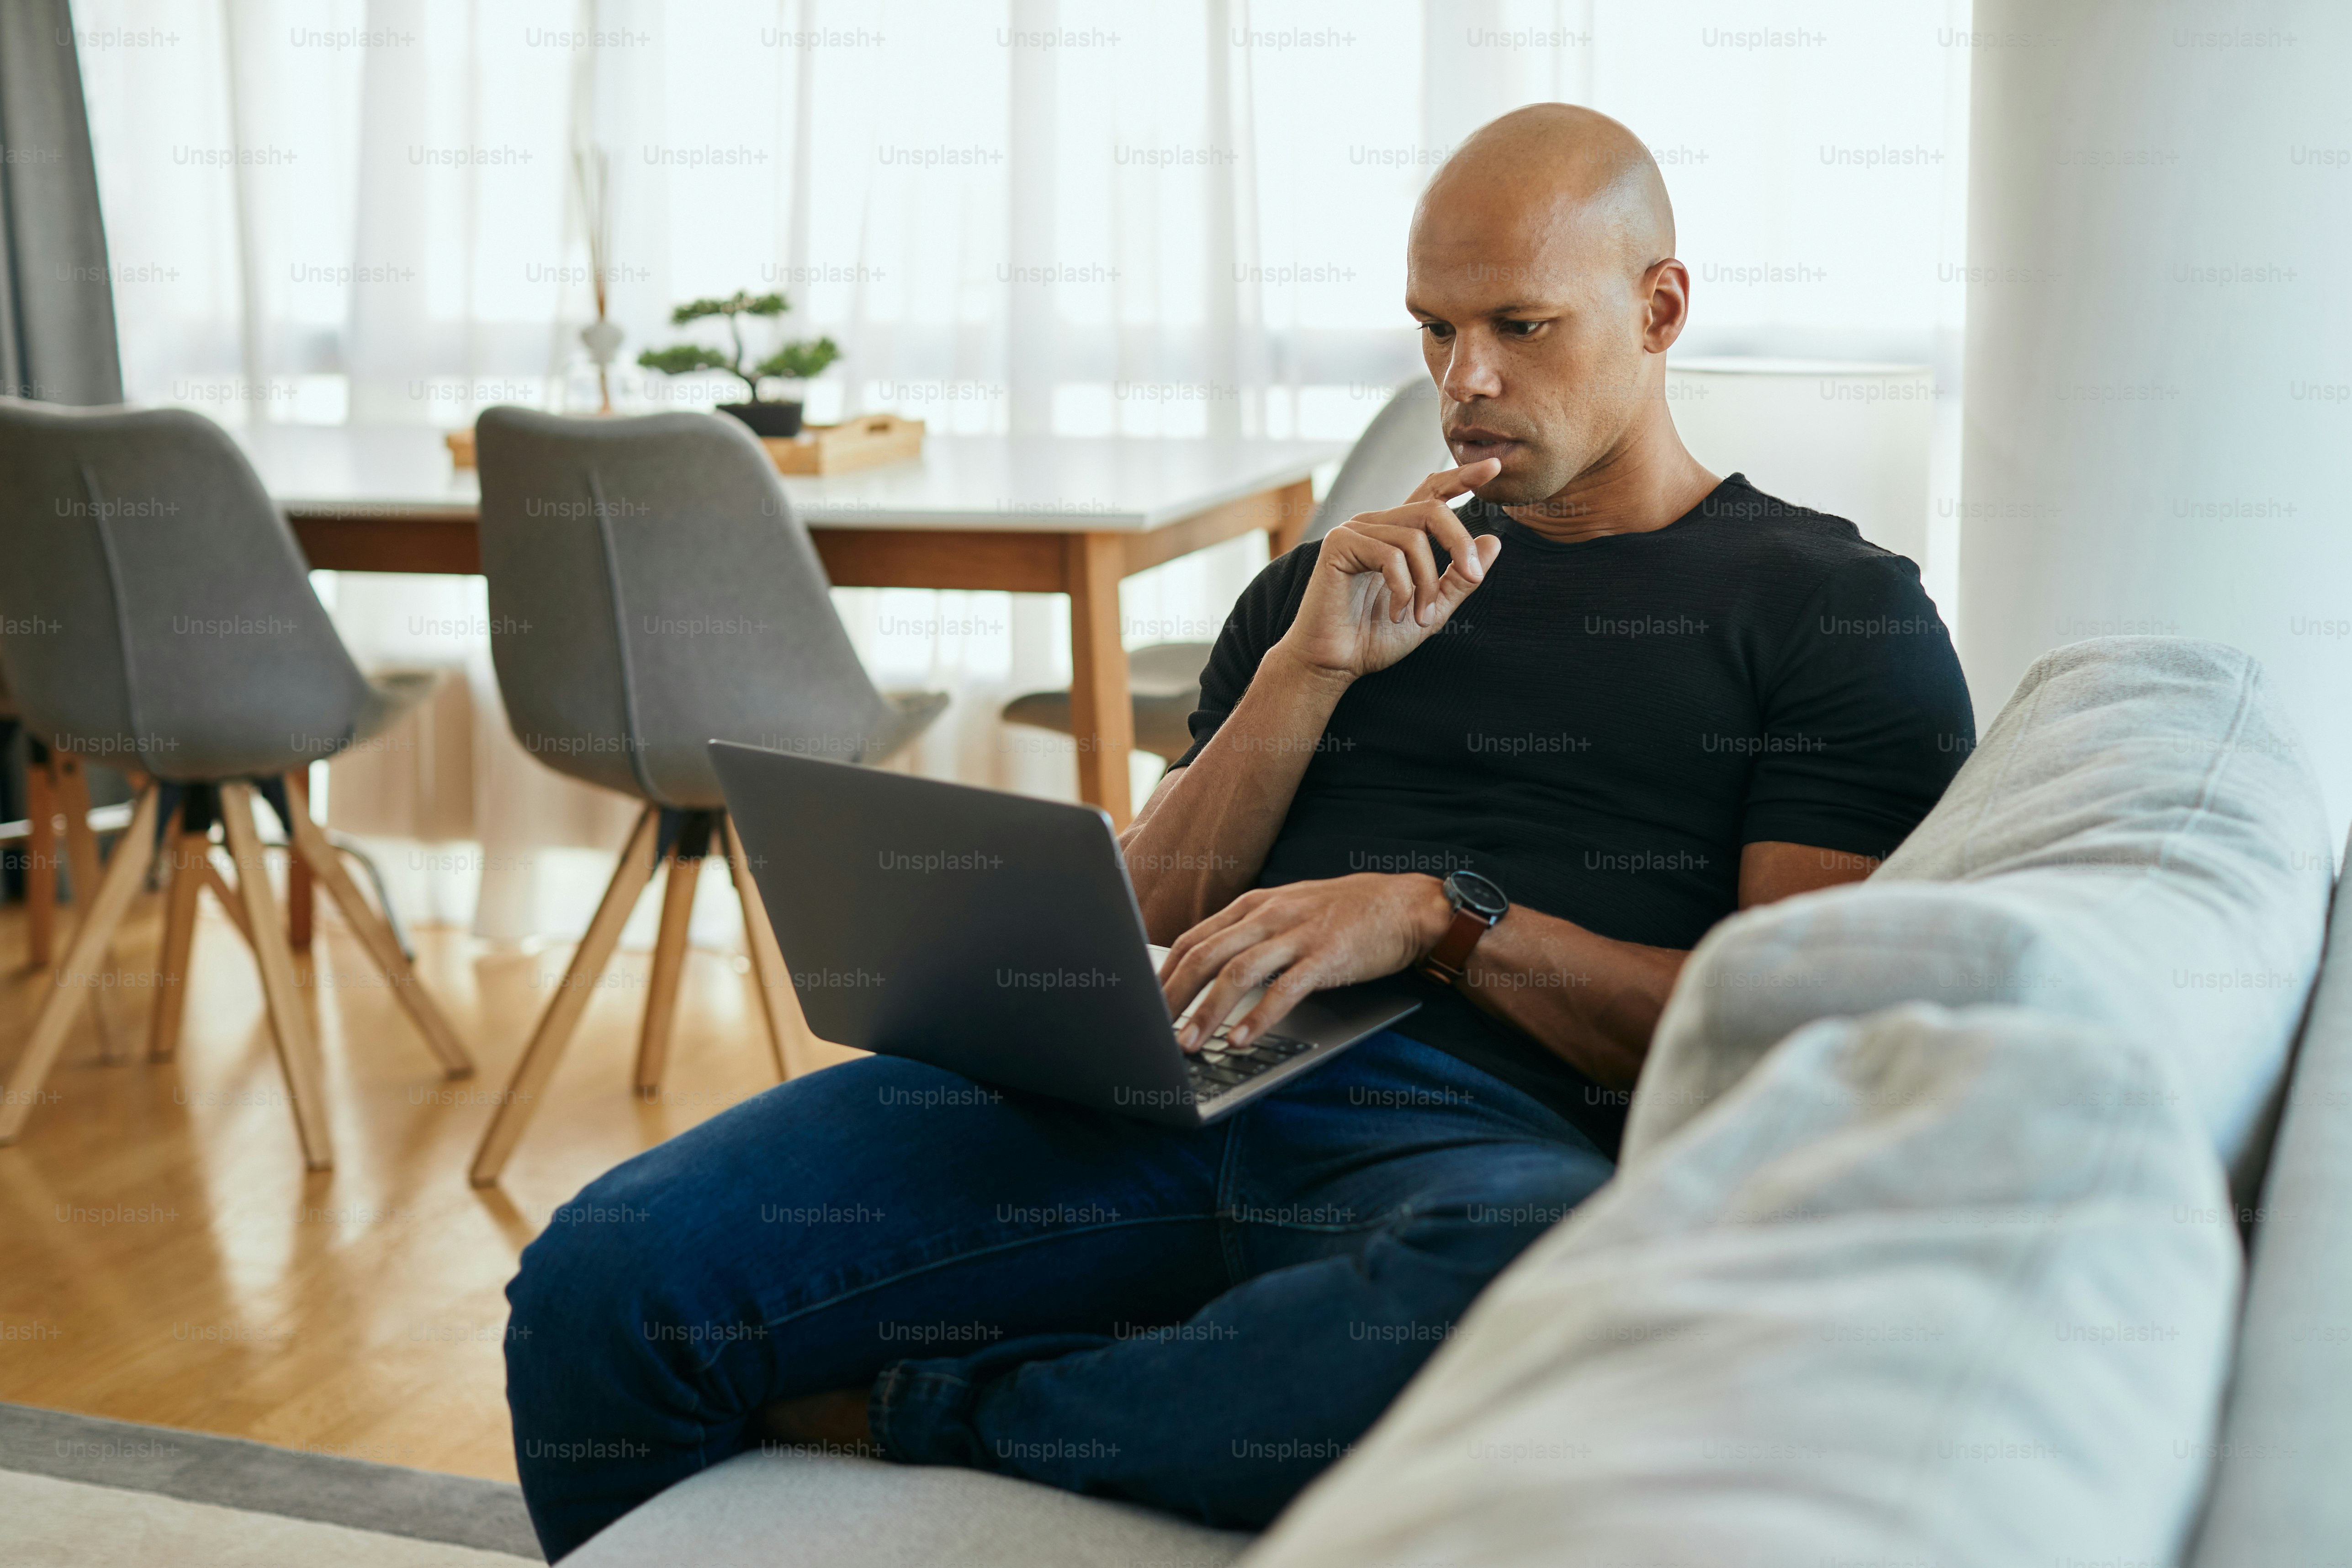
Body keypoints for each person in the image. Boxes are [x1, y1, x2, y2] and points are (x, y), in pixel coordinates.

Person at [503, 102, 1975, 1561]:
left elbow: (1777, 1031)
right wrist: (1307, 669)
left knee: (1515, 1286)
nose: (1464, 381)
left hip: (1466, 1142)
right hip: (1164, 1080)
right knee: (604, 1276)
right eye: (1433, 330)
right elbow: (1153, 895)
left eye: (1522, 327)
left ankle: (929, 1412)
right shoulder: (1324, 590)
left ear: (1658, 309)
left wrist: (1436, 918)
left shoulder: (1828, 612)